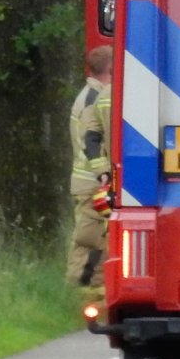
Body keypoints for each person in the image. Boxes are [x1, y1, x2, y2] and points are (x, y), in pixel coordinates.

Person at [68, 45, 114, 288]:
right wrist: (103, 173)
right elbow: (91, 141)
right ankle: (82, 293)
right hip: (92, 182)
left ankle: (91, 293)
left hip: (91, 181)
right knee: (90, 243)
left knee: (97, 243)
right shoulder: (95, 99)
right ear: (110, 68)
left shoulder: (93, 95)